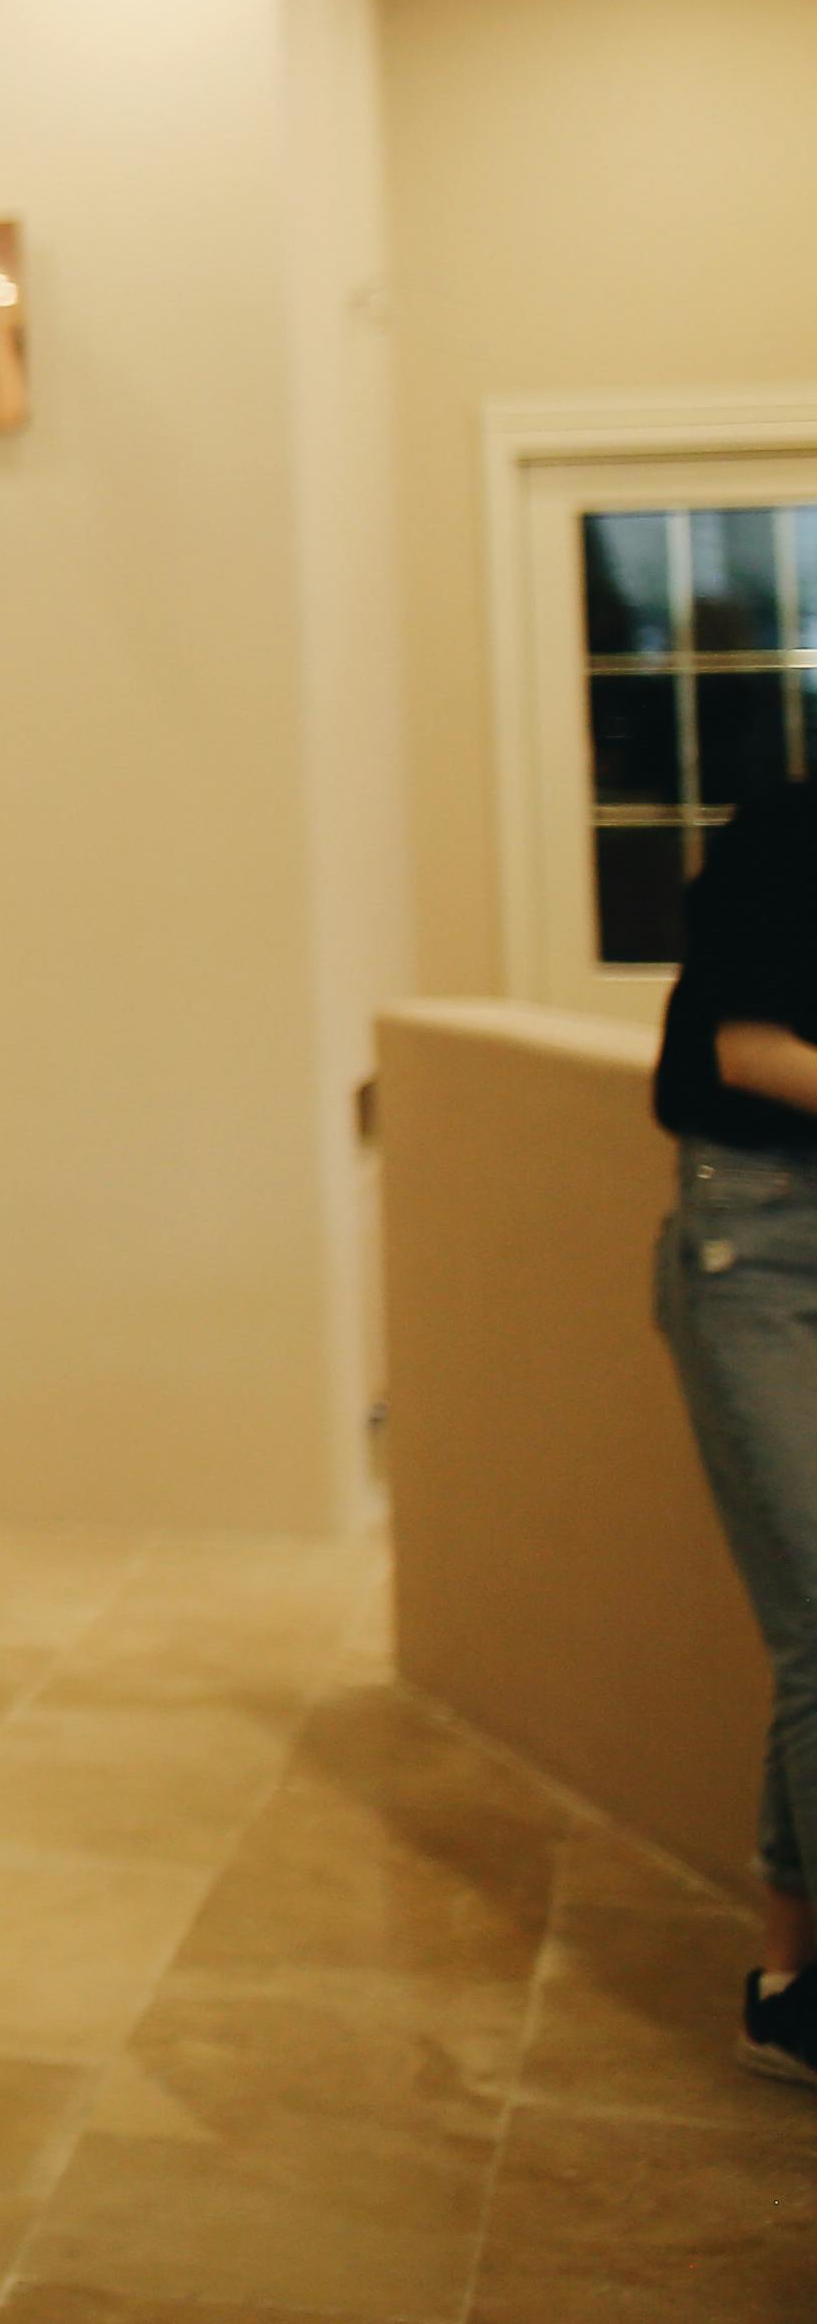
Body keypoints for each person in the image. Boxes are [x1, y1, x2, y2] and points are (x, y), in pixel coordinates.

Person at [649, 775, 817, 2083]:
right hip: (755, 1249)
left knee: (815, 1638)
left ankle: (788, 1984)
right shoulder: (788, 833)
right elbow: (748, 1050)